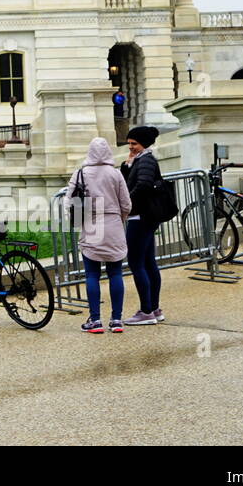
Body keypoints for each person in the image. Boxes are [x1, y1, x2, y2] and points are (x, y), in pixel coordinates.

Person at [64, 137, 131, 333]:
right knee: (116, 273)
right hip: (113, 225)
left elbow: (69, 203)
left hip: (91, 226)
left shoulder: (80, 173)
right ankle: (117, 319)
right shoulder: (115, 174)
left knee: (92, 274)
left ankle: (95, 320)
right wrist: (120, 218)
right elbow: (126, 204)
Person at [121, 125, 165, 325]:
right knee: (148, 263)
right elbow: (131, 180)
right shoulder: (141, 159)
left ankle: (146, 310)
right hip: (146, 217)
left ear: (143, 144)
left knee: (137, 263)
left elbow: (143, 185)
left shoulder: (146, 160)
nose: (130, 148)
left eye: (134, 144)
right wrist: (127, 166)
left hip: (140, 217)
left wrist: (126, 203)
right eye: (129, 143)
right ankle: (154, 309)